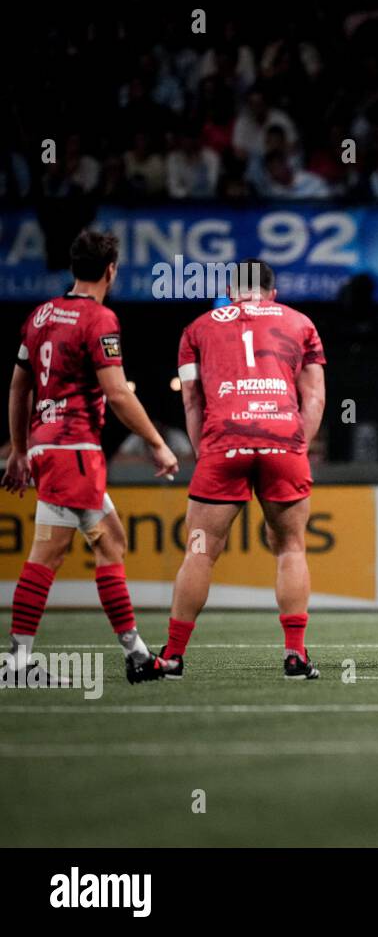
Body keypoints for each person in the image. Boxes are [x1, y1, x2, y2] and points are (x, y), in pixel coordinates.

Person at [2, 230, 179, 684]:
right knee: (51, 553)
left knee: (110, 541)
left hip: (48, 448)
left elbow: (19, 387)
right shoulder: (99, 319)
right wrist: (158, 442)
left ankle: (137, 655)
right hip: (74, 450)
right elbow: (117, 392)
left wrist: (21, 450)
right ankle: (20, 662)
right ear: (111, 270)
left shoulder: (40, 314)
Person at [162, 259, 327, 679]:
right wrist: (298, 446)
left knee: (200, 550)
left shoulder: (196, 328)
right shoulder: (301, 322)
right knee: (290, 546)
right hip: (282, 440)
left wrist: (206, 452)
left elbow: (192, 401)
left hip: (224, 440)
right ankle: (295, 655)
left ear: (232, 291)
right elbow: (315, 398)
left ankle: (174, 656)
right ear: (272, 292)